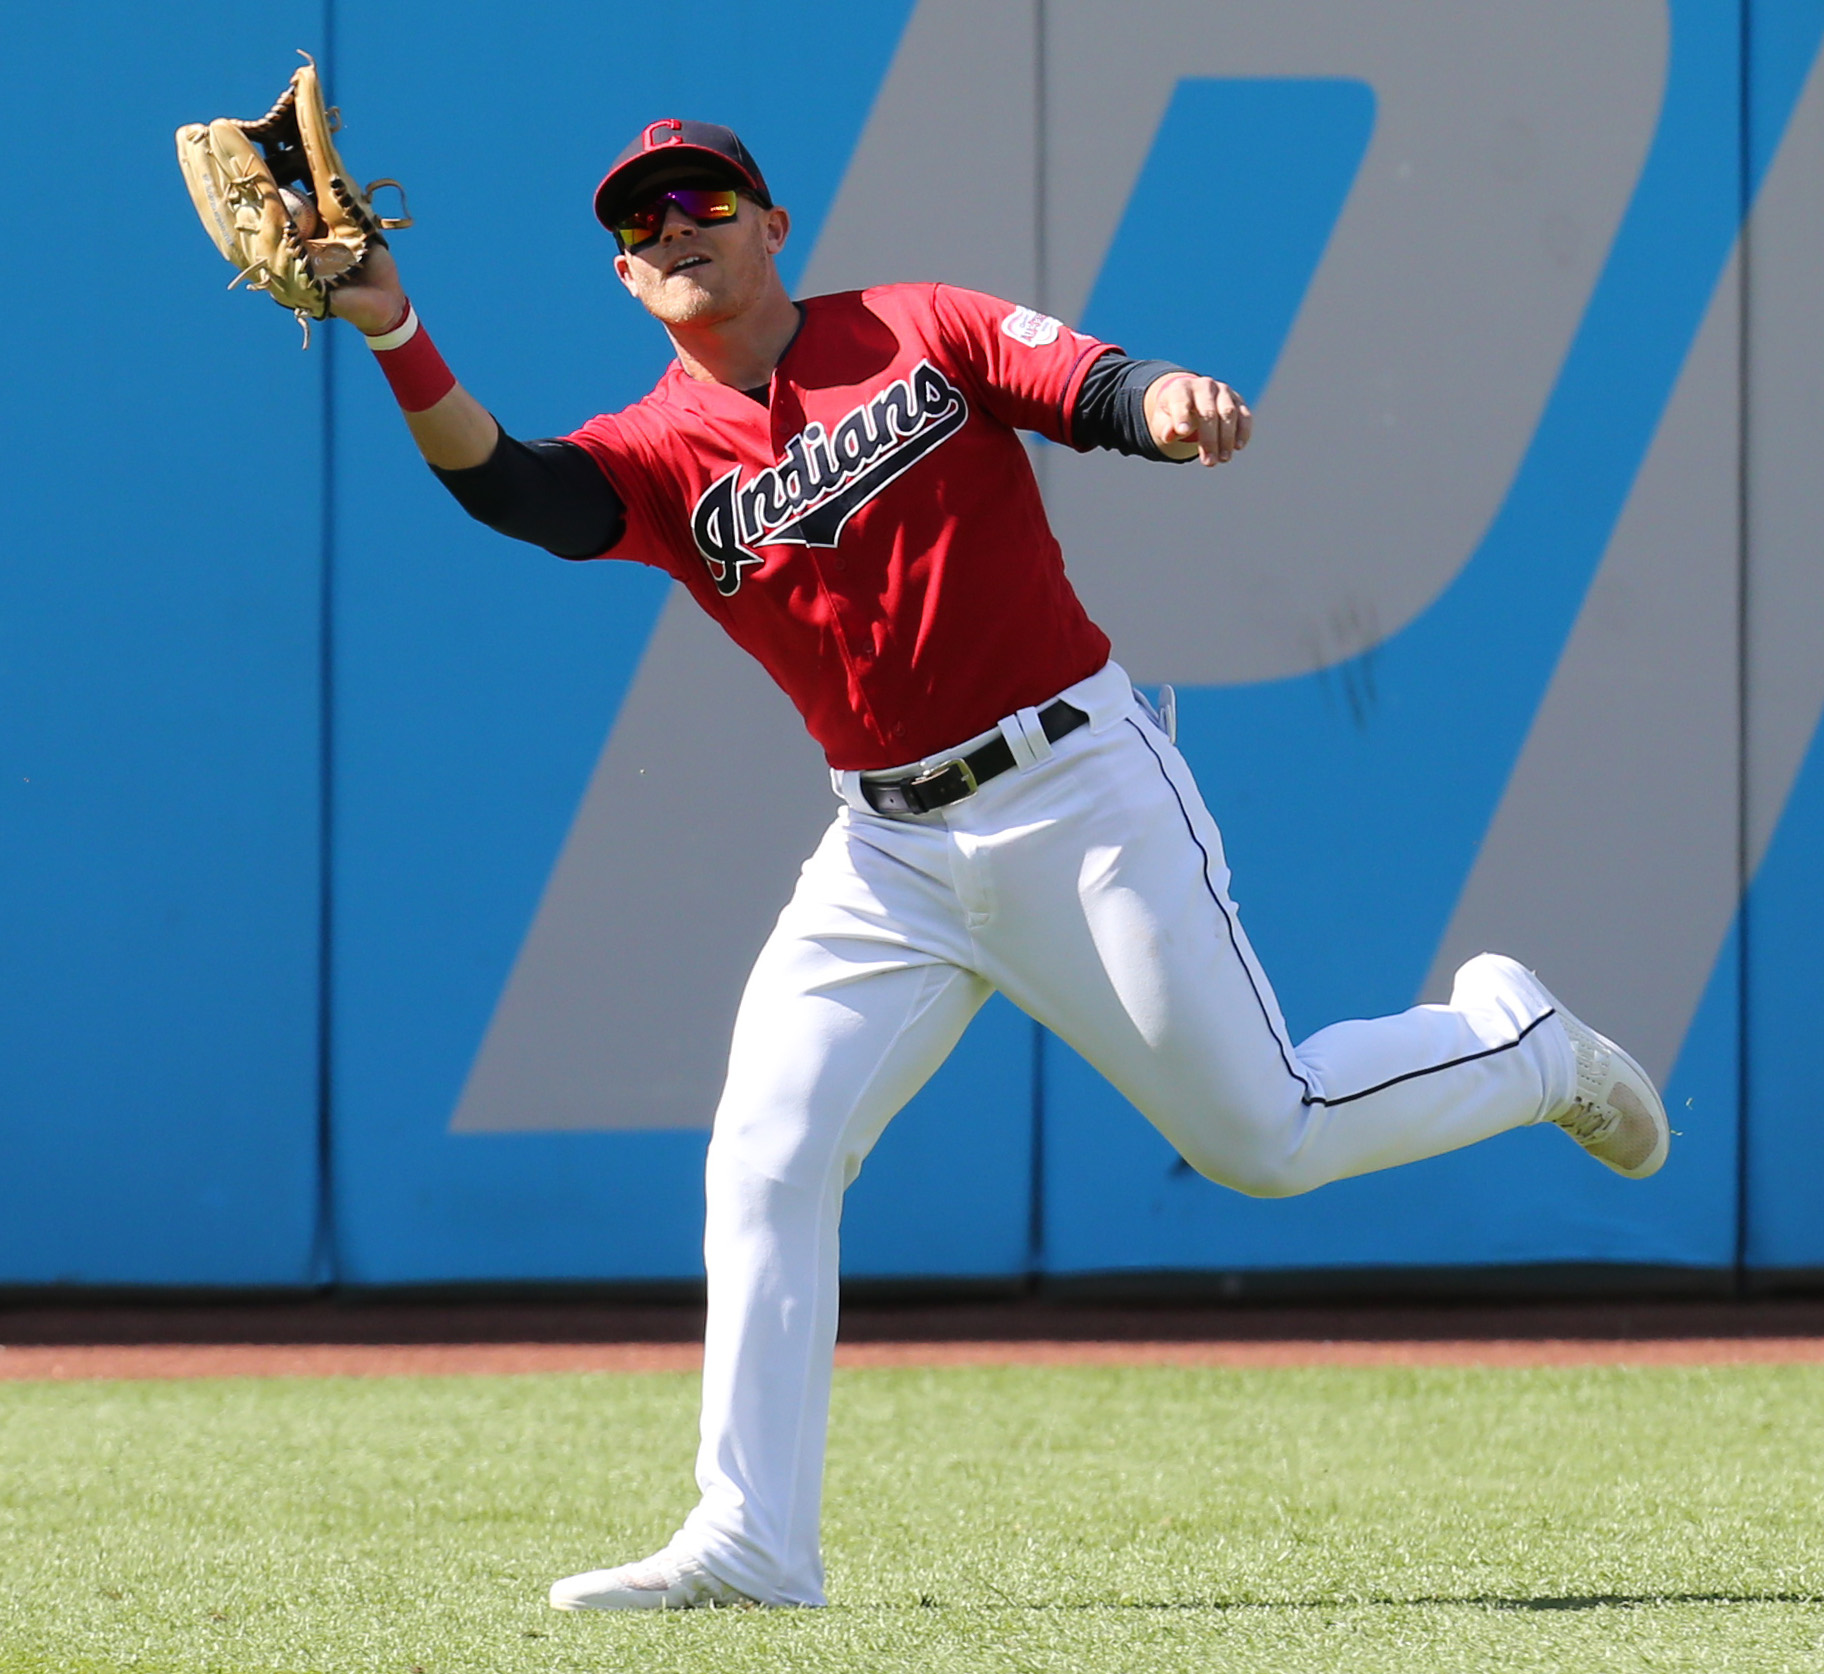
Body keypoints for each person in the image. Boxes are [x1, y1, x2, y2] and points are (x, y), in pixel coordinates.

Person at [327, 119, 1670, 1611]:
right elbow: (505, 486)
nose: (674, 230)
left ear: (774, 222)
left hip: (1077, 791)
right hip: (884, 850)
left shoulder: (911, 328)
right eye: (642, 225)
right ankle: (754, 1535)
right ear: (626, 275)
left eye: (701, 199)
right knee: (767, 1150)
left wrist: (1168, 402)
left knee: (1265, 1139)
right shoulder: (656, 452)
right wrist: (391, 322)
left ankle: (1521, 1046)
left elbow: (1091, 384)